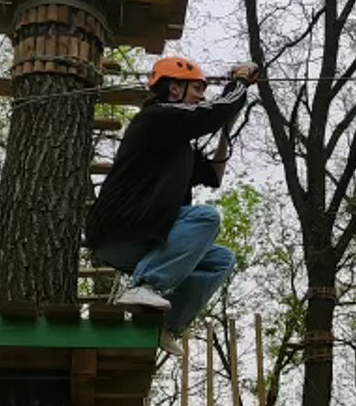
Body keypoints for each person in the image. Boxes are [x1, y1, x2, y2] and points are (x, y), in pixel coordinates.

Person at [84, 56, 256, 356]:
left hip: (144, 237)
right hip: (121, 227)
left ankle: (166, 325)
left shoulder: (176, 146)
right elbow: (212, 112)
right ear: (174, 89)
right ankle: (145, 285)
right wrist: (239, 82)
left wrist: (226, 128)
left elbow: (213, 175)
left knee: (220, 260)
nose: (202, 97)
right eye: (196, 90)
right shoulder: (157, 117)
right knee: (205, 217)